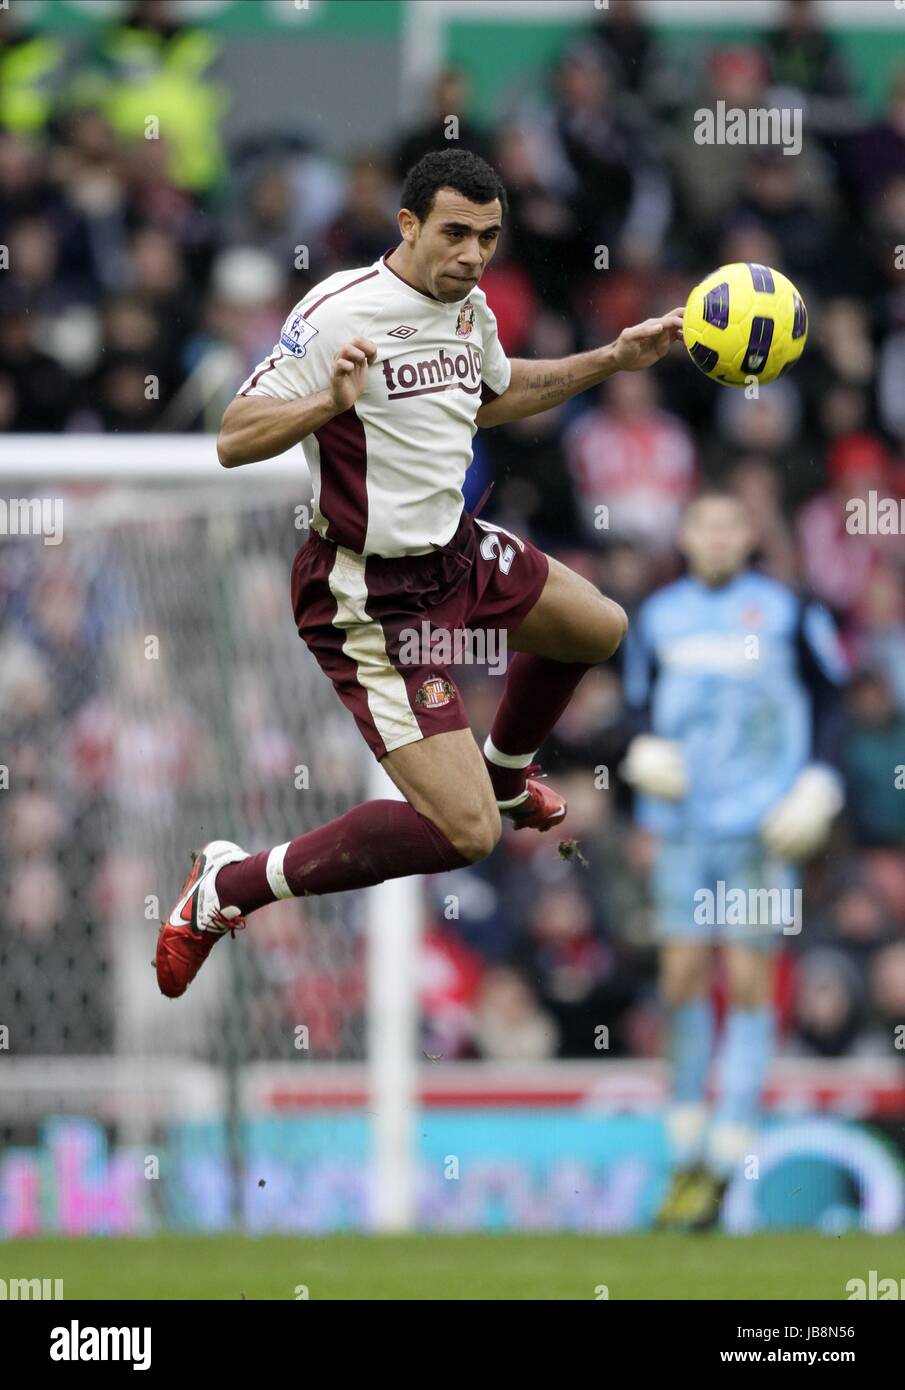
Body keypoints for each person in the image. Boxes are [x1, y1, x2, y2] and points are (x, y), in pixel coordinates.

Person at [154, 147, 683, 999]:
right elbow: (233, 436)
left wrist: (610, 361)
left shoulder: (469, 310)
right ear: (407, 226)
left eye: (489, 236)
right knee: (465, 835)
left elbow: (492, 395)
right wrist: (327, 401)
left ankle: (509, 776)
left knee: (599, 625)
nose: (473, 254)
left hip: (457, 552)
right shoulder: (338, 310)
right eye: (455, 233)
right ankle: (225, 887)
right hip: (370, 593)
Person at [620, 489, 847, 1230]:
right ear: (685, 535)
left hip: (758, 829)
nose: (715, 538)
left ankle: (727, 1150)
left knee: (748, 982)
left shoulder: (788, 608)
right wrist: (639, 750)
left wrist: (818, 779)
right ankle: (685, 1141)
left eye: (729, 526)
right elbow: (635, 705)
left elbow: (833, 700)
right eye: (703, 526)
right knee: (682, 976)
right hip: (682, 827)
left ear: (747, 534)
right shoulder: (655, 617)